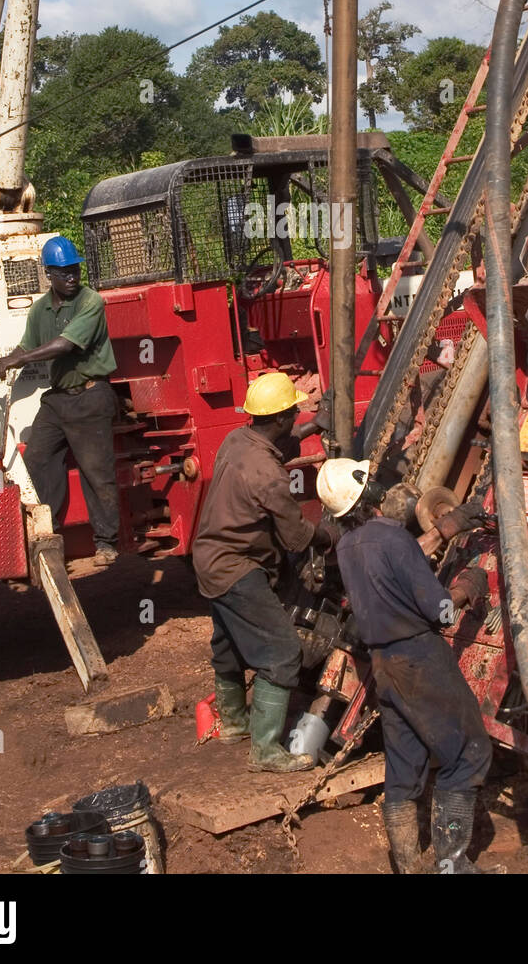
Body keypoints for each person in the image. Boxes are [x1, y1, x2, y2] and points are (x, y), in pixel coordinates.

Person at [317, 457, 492, 874]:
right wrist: (468, 587)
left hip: (383, 666)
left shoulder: (347, 547)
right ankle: (451, 864)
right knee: (468, 753)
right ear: (369, 491)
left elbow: (392, 567)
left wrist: (444, 529)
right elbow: (441, 611)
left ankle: (408, 866)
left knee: (404, 765)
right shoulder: (394, 540)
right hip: (419, 659)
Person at [192, 371, 334, 773]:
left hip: (208, 559)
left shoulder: (237, 440)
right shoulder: (270, 477)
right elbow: (295, 538)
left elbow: (275, 448)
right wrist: (328, 536)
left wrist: (313, 427)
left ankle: (234, 721)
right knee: (283, 652)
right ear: (282, 417)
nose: (294, 420)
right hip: (237, 567)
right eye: (294, 415)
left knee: (229, 644)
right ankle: (266, 750)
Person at [0, 236, 121, 567]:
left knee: (96, 472)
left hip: (90, 396)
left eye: (75, 270)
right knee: (37, 460)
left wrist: (19, 360)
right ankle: (49, 531)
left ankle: (106, 543)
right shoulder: (40, 309)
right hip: (58, 400)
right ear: (49, 274)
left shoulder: (91, 302)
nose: (72, 277)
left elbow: (63, 346)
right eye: (65, 272)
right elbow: (24, 346)